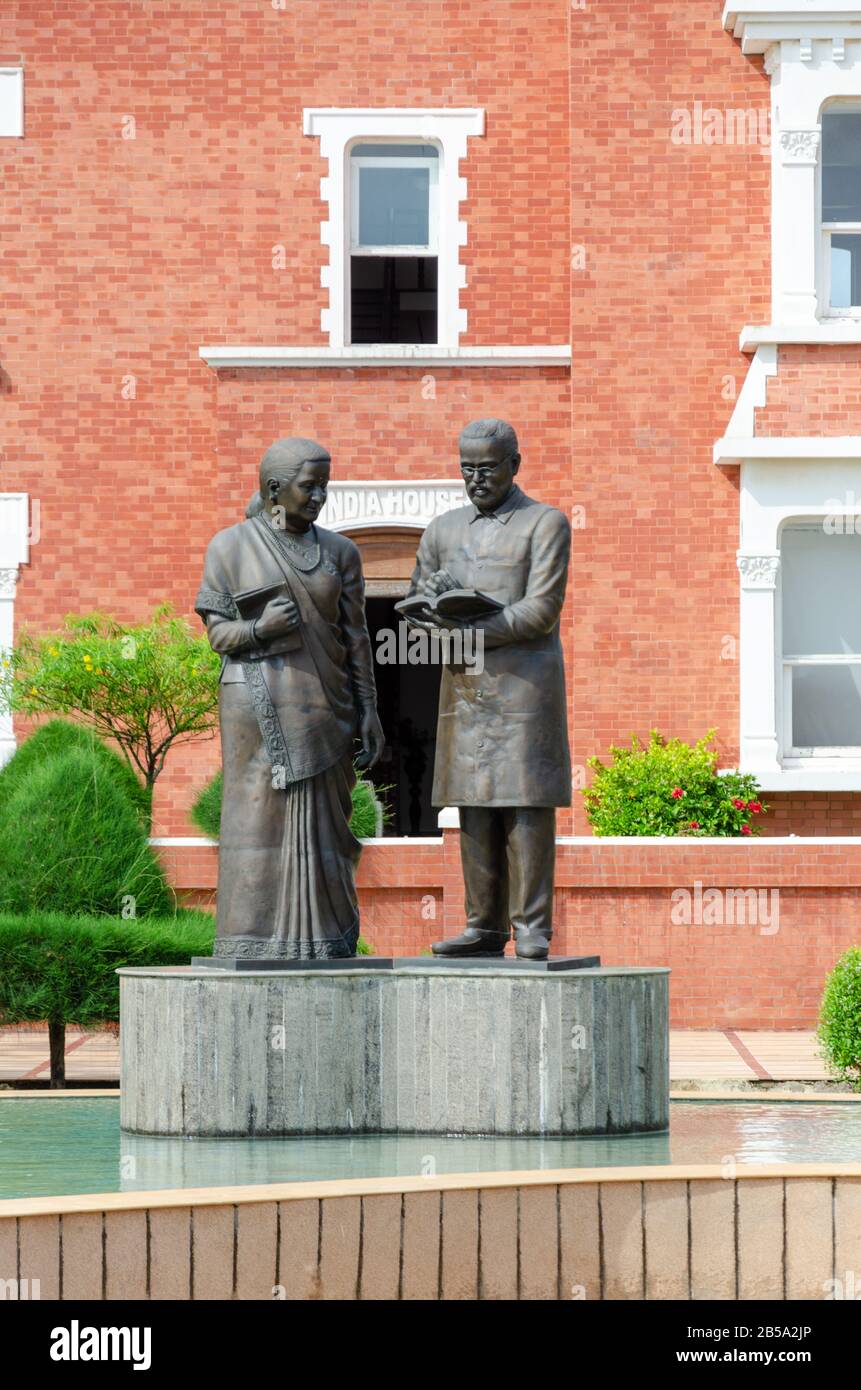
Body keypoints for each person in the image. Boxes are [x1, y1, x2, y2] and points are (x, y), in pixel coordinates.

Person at [195, 437, 384, 960]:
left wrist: (369, 710)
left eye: (325, 484)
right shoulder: (230, 547)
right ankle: (251, 939)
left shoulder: (341, 552)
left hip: (328, 706)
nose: (320, 495)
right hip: (254, 702)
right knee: (257, 819)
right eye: (309, 486)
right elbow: (219, 638)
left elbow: (356, 639)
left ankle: (324, 940)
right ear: (275, 488)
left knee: (328, 828)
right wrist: (261, 627)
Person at [408, 418, 571, 960]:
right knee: (473, 805)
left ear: (514, 466)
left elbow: (541, 610)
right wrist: (432, 616)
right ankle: (482, 925)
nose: (476, 479)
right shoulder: (441, 530)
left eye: (488, 468)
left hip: (525, 689)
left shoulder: (544, 523)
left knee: (525, 805)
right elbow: (416, 608)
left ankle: (532, 926)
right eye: (466, 469)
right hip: (464, 691)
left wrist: (468, 630)